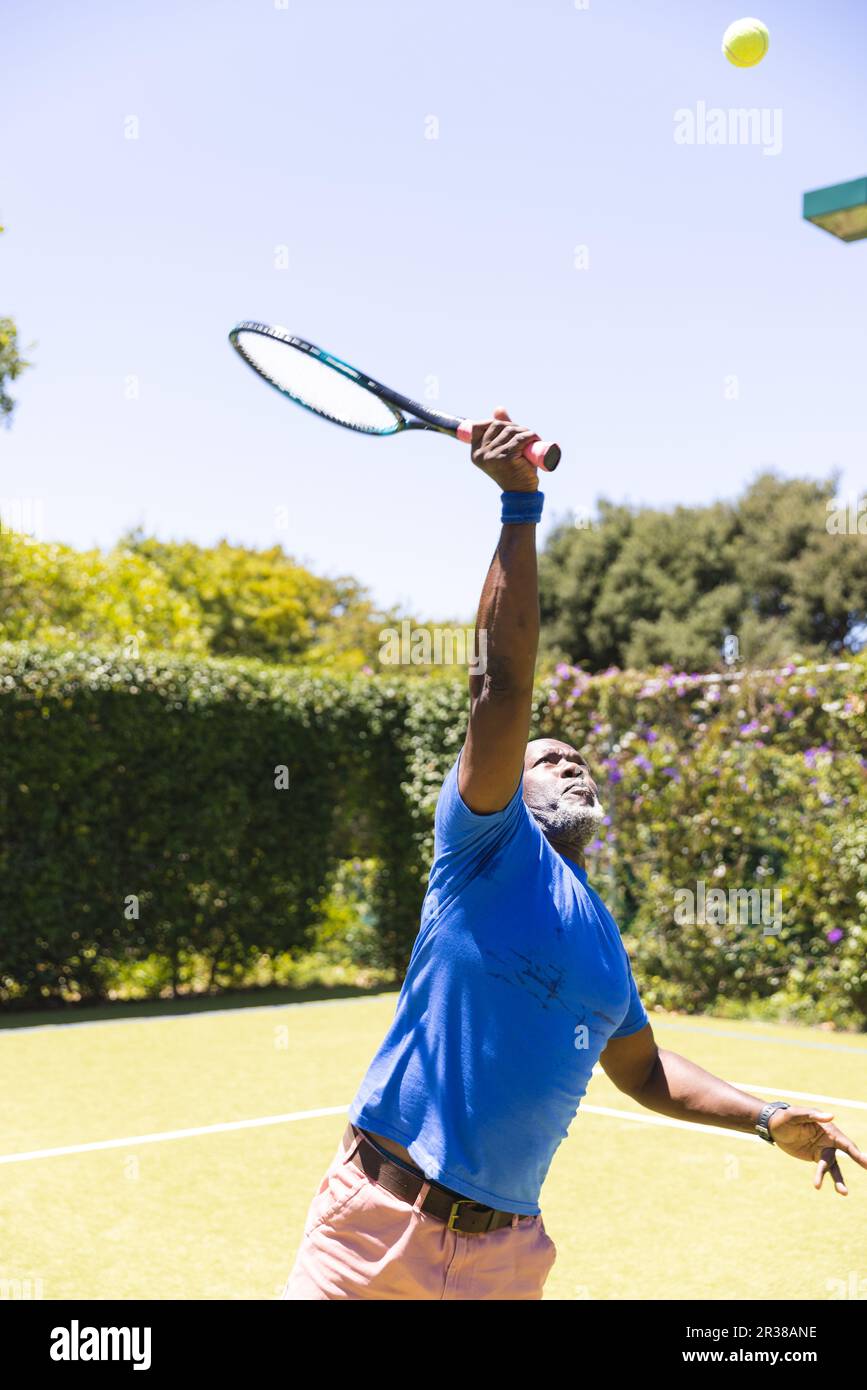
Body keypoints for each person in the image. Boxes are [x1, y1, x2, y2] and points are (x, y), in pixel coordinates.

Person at [283, 409, 867, 1301]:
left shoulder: (600, 939)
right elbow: (499, 684)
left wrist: (766, 1116)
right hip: (371, 1234)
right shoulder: (481, 847)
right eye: (543, 758)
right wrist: (521, 507)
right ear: (502, 788)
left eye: (579, 758)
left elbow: (644, 1069)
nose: (569, 762)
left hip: (505, 1263)